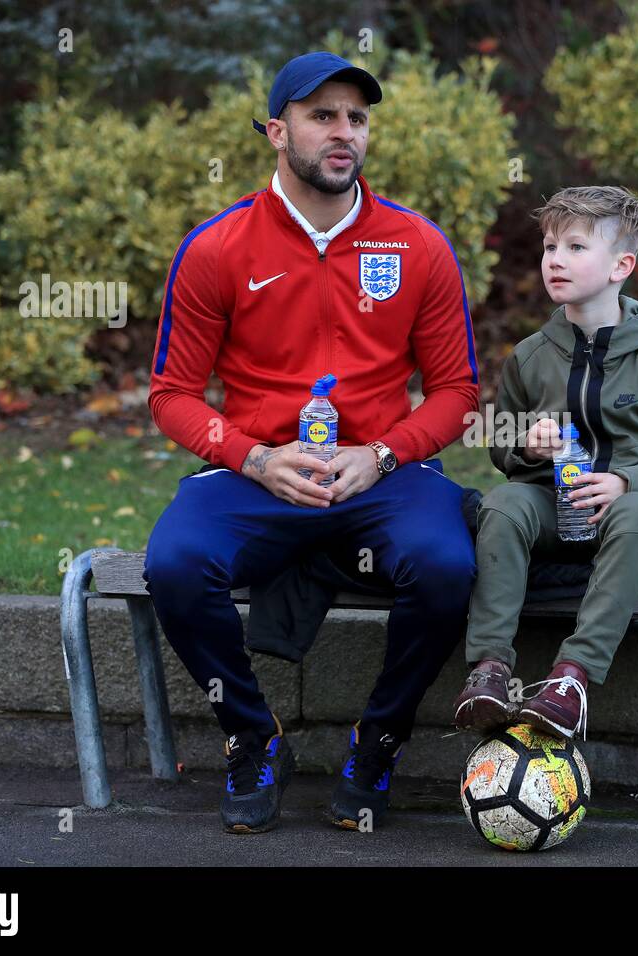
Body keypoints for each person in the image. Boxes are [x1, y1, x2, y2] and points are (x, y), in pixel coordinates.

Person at [144, 51, 479, 833]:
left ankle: (380, 741)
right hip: (259, 473)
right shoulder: (218, 247)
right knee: (174, 564)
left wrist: (383, 454)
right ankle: (254, 740)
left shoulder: (416, 244)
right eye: (321, 115)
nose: (343, 133)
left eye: (356, 119)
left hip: (384, 475)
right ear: (275, 129)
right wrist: (255, 458)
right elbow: (172, 396)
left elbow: (459, 392)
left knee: (447, 565)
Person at [453, 185, 638, 739]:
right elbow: (499, 446)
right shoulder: (530, 356)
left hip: (623, 520)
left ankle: (570, 679)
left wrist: (629, 480)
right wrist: (525, 445)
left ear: (622, 265)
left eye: (575, 247)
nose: (555, 260)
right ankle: (490, 669)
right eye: (550, 247)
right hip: (551, 508)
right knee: (501, 505)